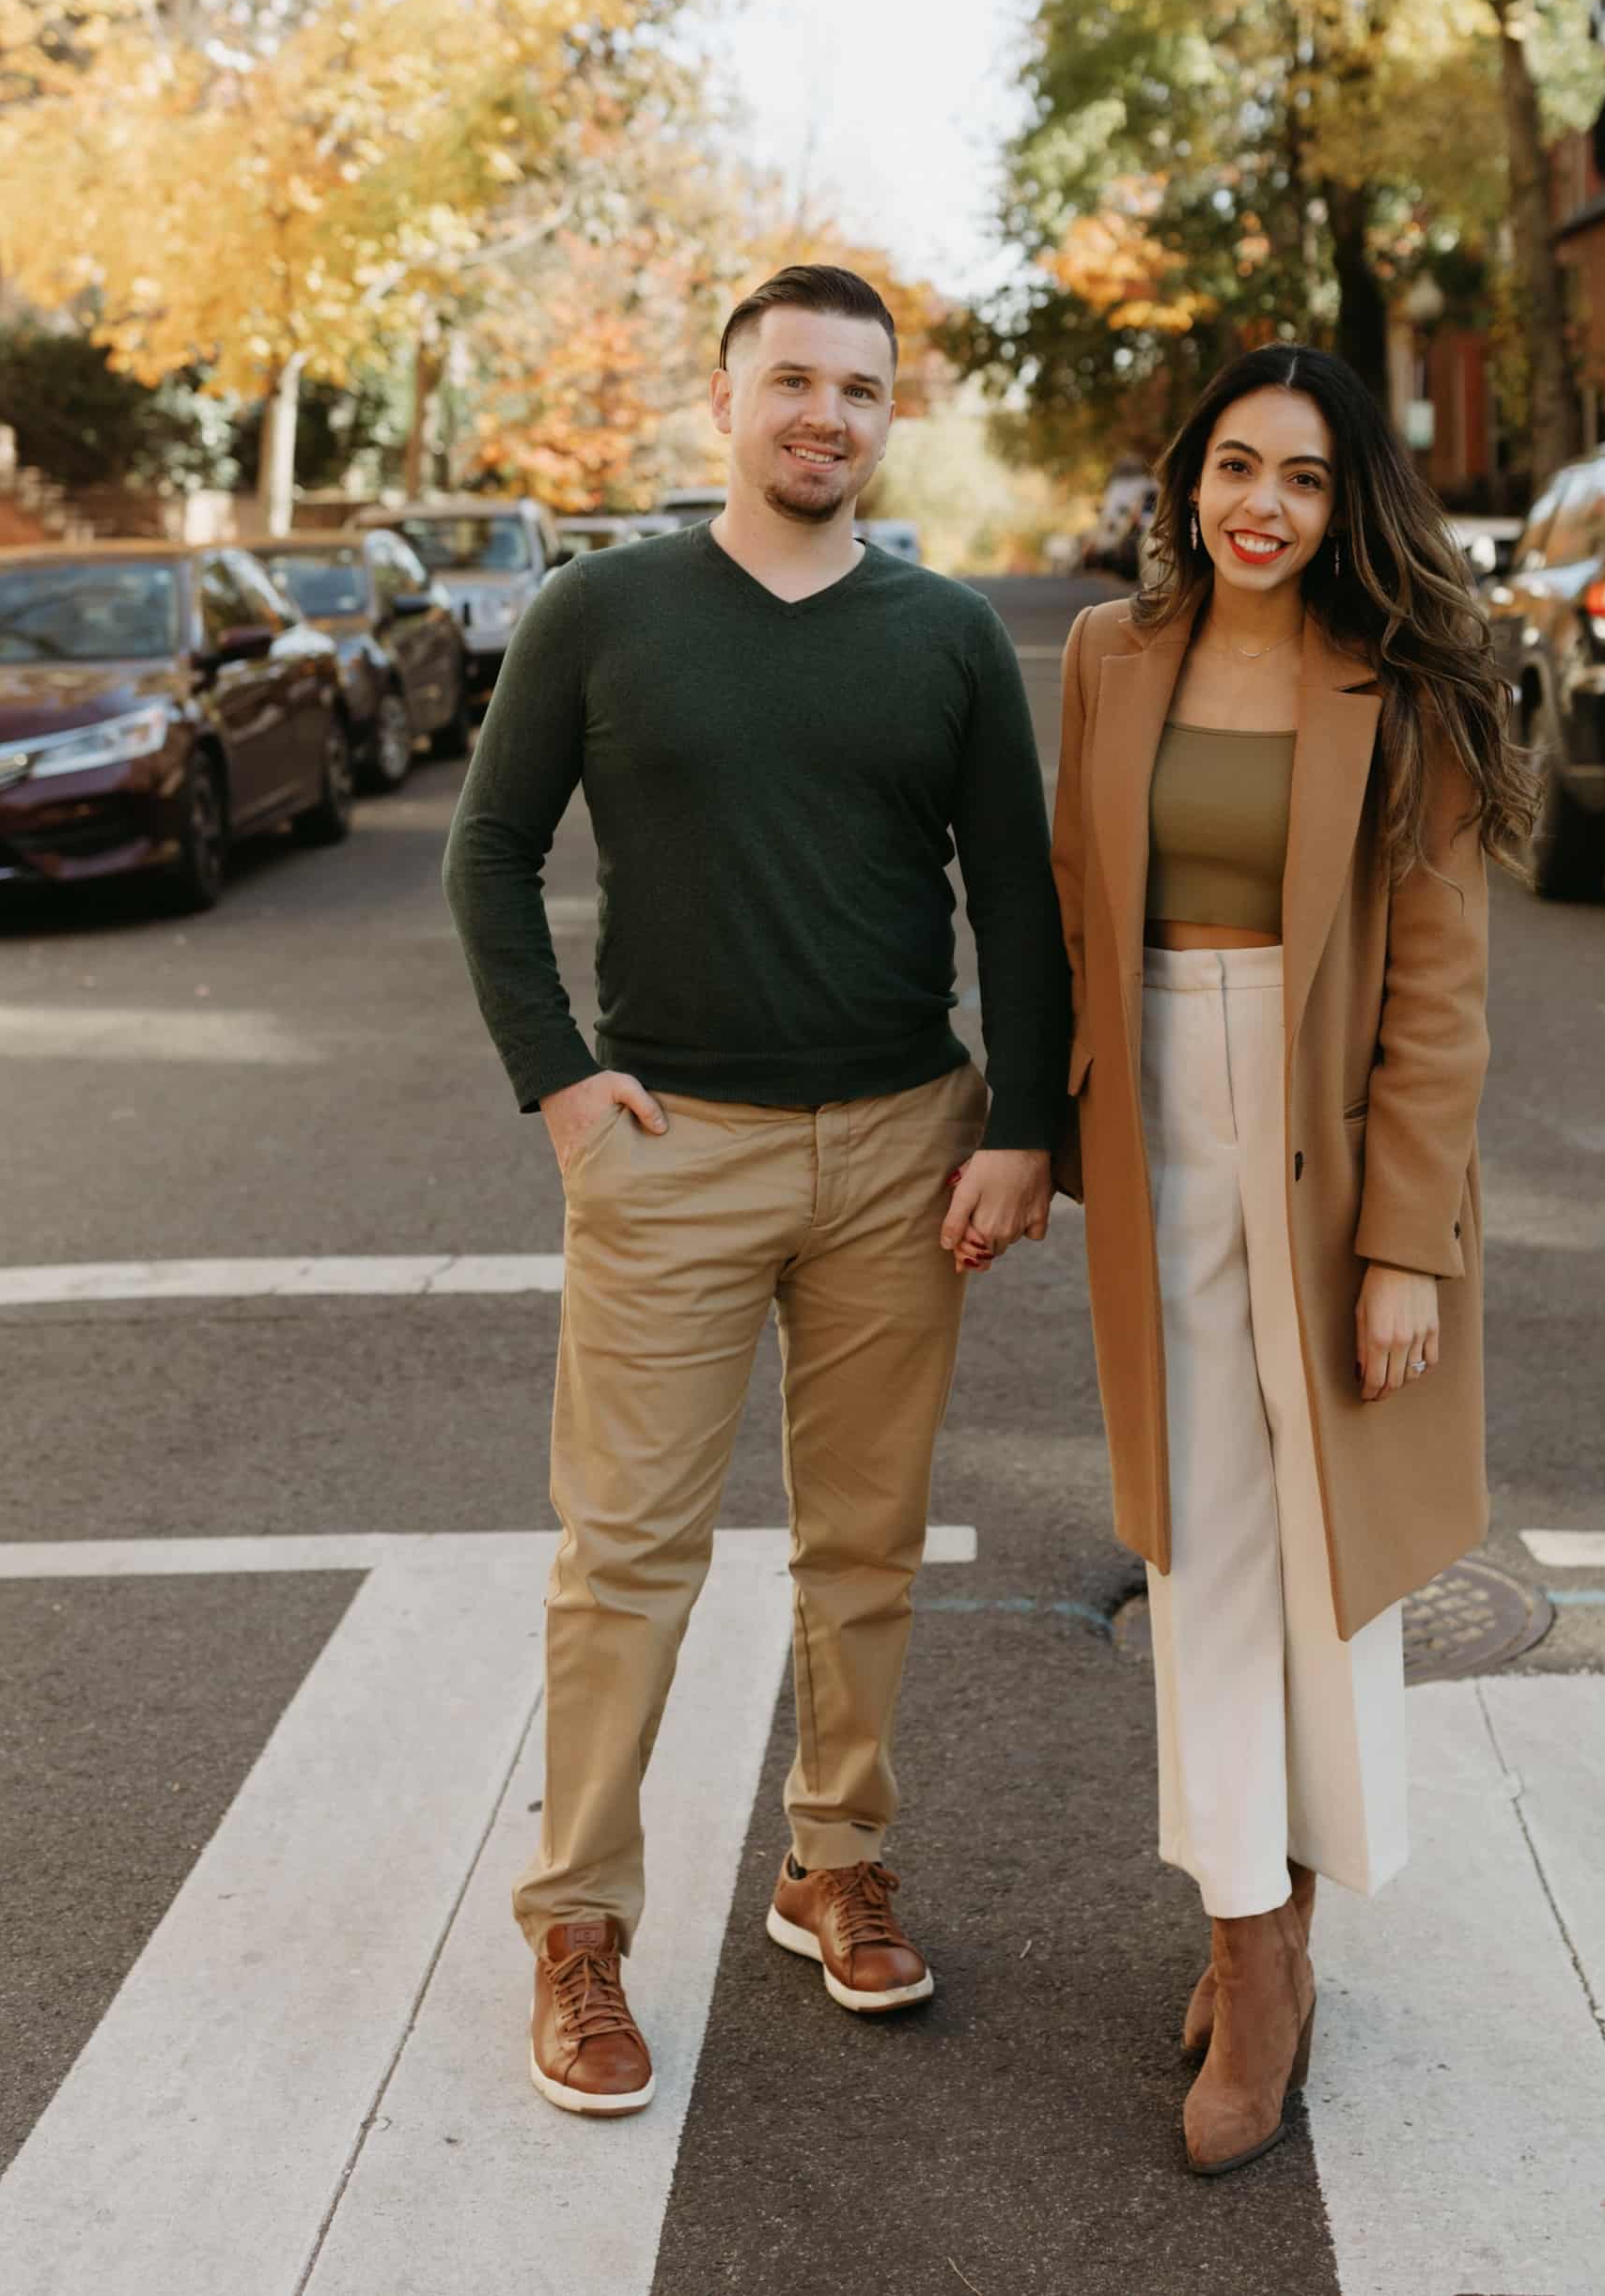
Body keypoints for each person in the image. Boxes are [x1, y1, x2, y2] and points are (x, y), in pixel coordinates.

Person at [444, 263, 1068, 2119]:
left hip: (901, 1148)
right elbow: (489, 851)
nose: (824, 414)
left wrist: (1023, 1122)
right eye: (790, 379)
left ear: (891, 418)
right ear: (725, 398)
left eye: (859, 389)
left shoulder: (944, 632)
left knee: (865, 1543)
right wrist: (559, 1082)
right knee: (625, 1555)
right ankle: (578, 1926)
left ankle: (833, 1860)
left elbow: (1018, 898)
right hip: (672, 1152)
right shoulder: (603, 605)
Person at [1046, 344, 1525, 2178]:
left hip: (1327, 1140)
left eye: (1303, 479)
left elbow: (1441, 985)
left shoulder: (1398, 687)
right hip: (1156, 1120)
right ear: (1185, 483)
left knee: (1330, 1562)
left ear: (1347, 504)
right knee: (1207, 1550)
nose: (1261, 504)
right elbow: (1069, 906)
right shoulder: (1107, 661)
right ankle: (1246, 1953)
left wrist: (1403, 1244)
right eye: (1233, 467)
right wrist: (1041, 1121)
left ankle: (1286, 1932)